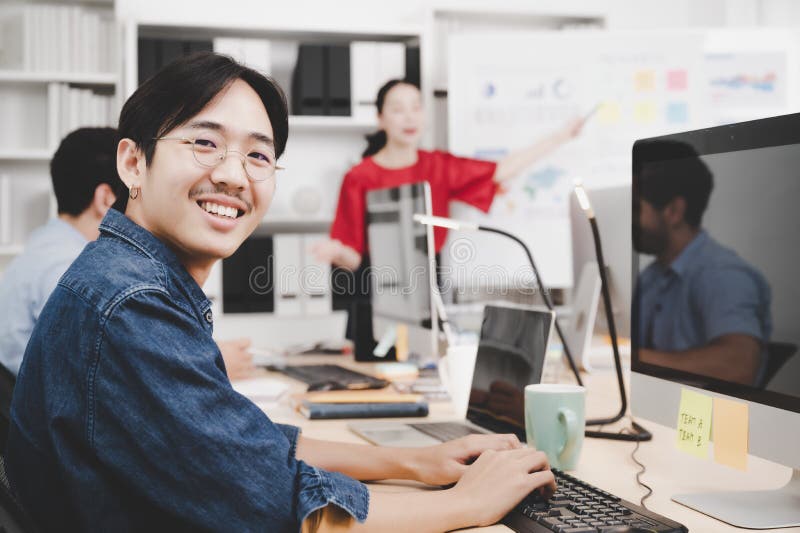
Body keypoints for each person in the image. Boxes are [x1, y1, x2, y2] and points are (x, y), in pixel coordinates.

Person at [7, 52, 555, 532]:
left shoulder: (128, 276)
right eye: (205, 143)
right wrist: (467, 505)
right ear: (133, 162)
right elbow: (281, 506)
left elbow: (239, 446)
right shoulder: (131, 304)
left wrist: (419, 463)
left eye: (258, 156)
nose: (233, 175)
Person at [0, 128, 255, 380]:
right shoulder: (75, 272)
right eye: (136, 194)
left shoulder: (45, 247)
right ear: (105, 198)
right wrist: (210, 363)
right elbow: (116, 372)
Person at [313, 79, 587, 271]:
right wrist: (336, 252)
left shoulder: (438, 166)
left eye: (416, 107)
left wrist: (561, 136)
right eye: (397, 109)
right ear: (380, 118)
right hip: (375, 289)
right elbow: (353, 258)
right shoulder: (360, 176)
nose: (409, 117)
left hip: (430, 279)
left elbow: (501, 170)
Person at [633, 140, 772, 386]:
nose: (631, 220)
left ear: (674, 211)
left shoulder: (722, 274)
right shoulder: (653, 276)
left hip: (705, 420)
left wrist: (635, 358)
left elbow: (739, 365)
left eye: (636, 209)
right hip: (658, 409)